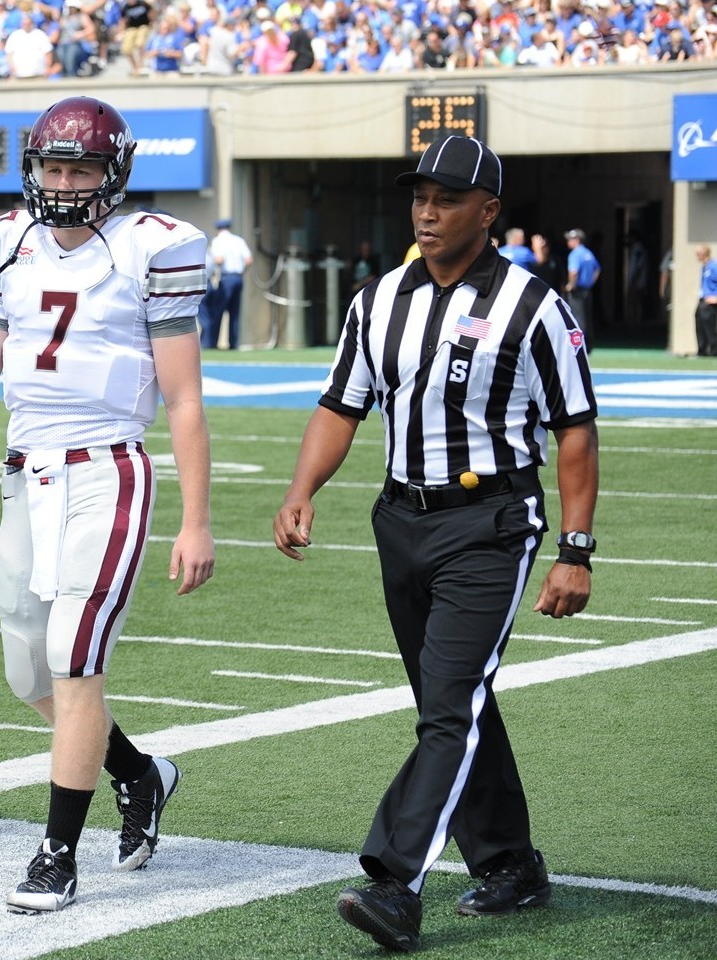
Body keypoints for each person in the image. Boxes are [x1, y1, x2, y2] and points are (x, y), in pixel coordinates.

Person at [271, 136, 598, 953]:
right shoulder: (379, 298)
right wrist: (301, 489)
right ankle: (511, 862)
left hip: (489, 523)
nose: (427, 210)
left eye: (447, 198)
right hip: (399, 520)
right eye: (419, 195)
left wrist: (575, 548)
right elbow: (342, 404)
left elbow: (576, 432)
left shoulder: (535, 304)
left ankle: (396, 882)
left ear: (488, 213)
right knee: (452, 703)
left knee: (449, 705)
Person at [0, 96, 214, 914]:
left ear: (112, 175)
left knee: (77, 662)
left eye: (81, 168)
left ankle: (55, 853)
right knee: (28, 673)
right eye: (54, 165)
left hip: (110, 469)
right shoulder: (2, 245)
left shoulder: (154, 249)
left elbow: (182, 399)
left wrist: (196, 518)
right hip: (26, 475)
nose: (65, 182)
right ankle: (140, 774)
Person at [202, 216, 251, 349]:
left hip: (226, 278)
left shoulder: (218, 241)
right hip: (238, 277)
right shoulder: (239, 240)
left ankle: (213, 342)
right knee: (234, 313)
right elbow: (248, 260)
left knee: (218, 311)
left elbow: (219, 260)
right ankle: (233, 343)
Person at [564, 228, 599, 350]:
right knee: (587, 318)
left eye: (570, 239)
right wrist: (591, 282)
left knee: (578, 318)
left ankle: (579, 345)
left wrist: (571, 285)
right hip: (587, 290)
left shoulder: (575, 254)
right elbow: (597, 269)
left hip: (578, 290)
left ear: (577, 240)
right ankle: (588, 345)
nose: (568, 241)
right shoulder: (588, 253)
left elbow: (573, 272)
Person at [695, 244, 717, 357]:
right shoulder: (704, 267)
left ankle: (714, 351)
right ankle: (702, 350)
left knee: (710, 327)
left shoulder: (713, 266)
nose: (696, 256)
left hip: (711, 302)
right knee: (699, 325)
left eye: (698, 253)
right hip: (703, 300)